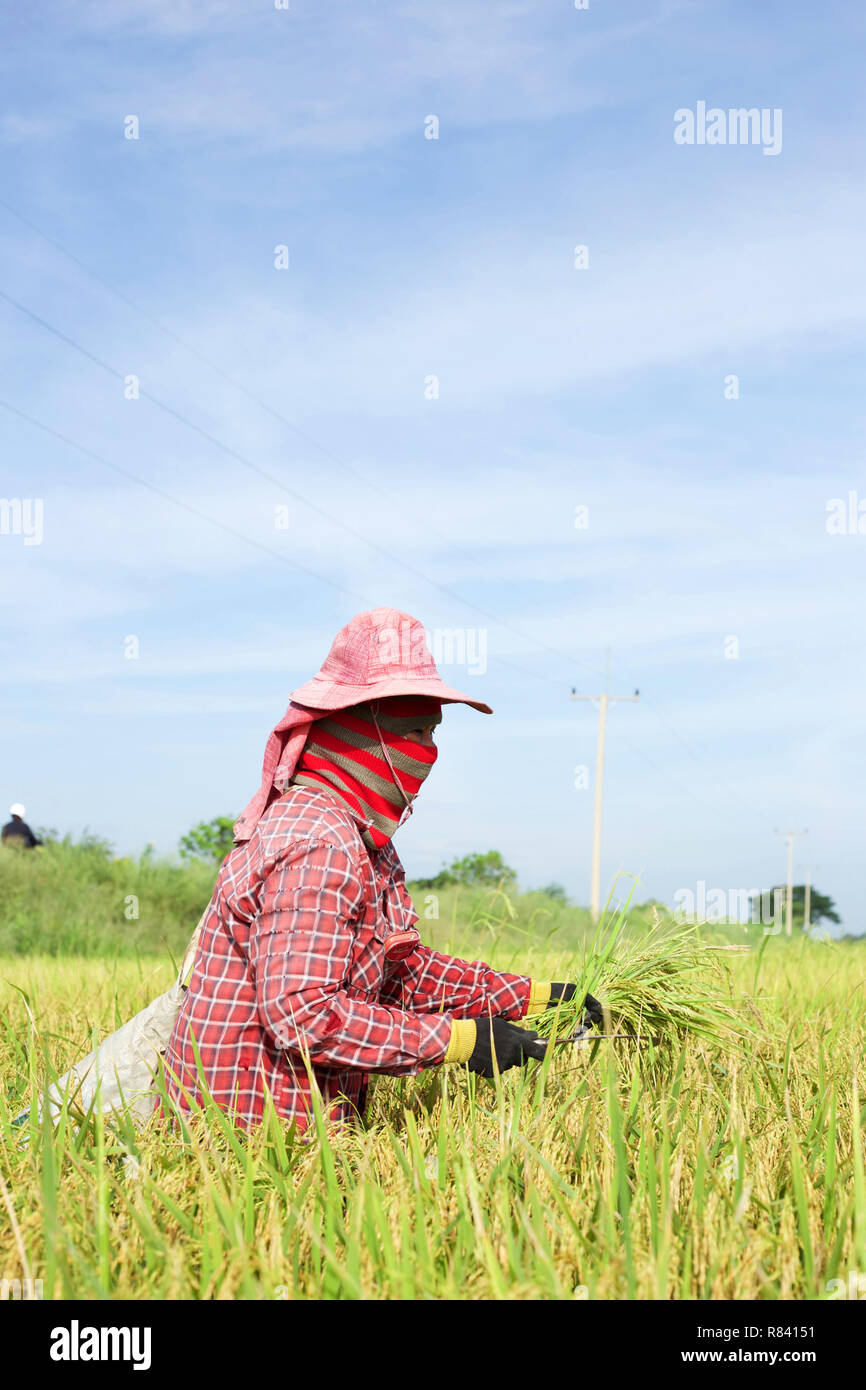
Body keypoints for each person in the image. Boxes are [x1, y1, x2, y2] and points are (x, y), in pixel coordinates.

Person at [161, 608, 602, 1134]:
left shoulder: (362, 837)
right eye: (415, 730)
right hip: (249, 1138)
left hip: (302, 1134)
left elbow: (398, 973)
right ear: (360, 731)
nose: (430, 754)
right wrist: (460, 1042)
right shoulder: (317, 842)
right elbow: (302, 1018)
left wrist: (534, 997)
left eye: (433, 733)